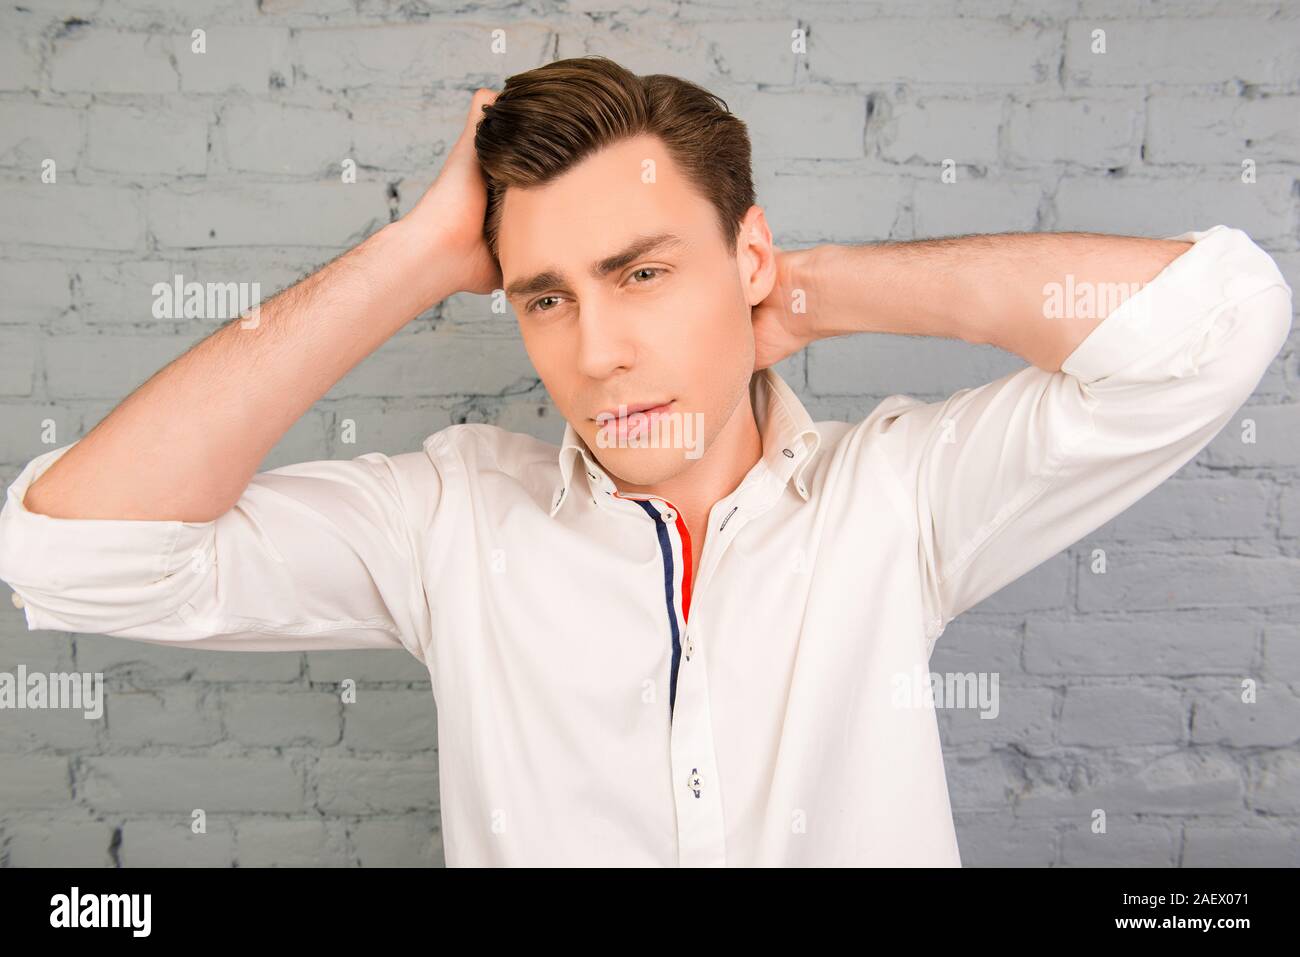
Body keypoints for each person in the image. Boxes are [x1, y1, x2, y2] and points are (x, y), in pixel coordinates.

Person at [0, 56, 1291, 867]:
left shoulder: (896, 497)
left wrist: (816, 291)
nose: (599, 350)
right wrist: (418, 256)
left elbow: (1219, 326)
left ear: (745, 256)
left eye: (645, 273)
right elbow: (73, 553)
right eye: (544, 296)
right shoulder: (449, 521)